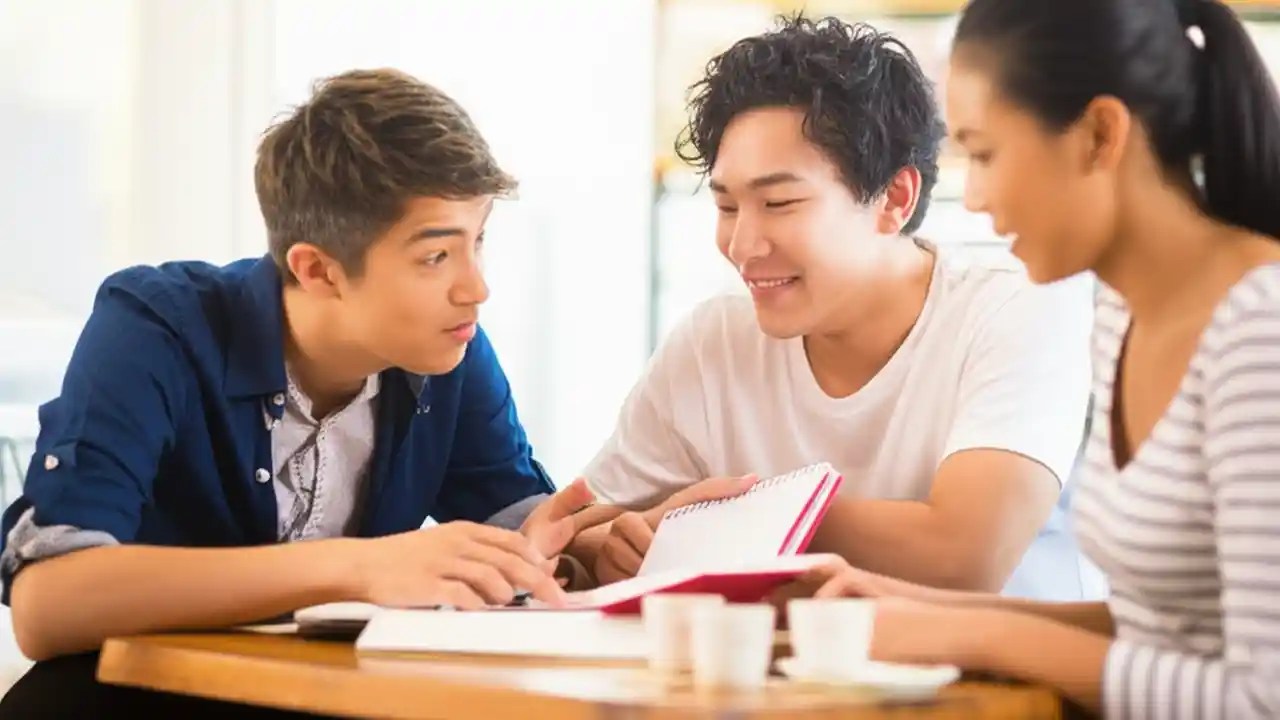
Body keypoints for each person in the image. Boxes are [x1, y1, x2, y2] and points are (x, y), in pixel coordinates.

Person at [0, 68, 597, 717]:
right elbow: (47, 603)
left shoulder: (447, 351)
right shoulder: (158, 328)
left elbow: (521, 531)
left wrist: (626, 536)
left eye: (478, 241)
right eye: (435, 257)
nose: (476, 287)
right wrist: (358, 567)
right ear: (318, 269)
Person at [797, 0, 1280, 716]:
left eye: (986, 153)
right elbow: (1168, 633)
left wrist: (980, 635)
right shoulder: (1124, 313)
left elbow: (1260, 697)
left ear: (1099, 134)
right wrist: (919, 611)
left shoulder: (1257, 332)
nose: (978, 196)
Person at [568, 16, 1095, 601]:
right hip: (781, 683)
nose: (742, 246)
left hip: (1001, 687)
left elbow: (963, 558)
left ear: (894, 198)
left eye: (779, 202)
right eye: (726, 207)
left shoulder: (1016, 310)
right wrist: (611, 547)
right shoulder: (714, 339)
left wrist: (735, 516)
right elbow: (576, 529)